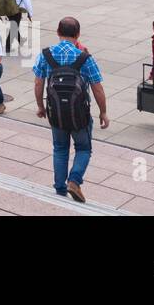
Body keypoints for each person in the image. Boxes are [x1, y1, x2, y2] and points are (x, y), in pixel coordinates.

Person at [33, 17, 109, 203]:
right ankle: (74, 180)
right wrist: (103, 112)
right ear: (78, 35)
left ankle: (60, 189)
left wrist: (41, 106)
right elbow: (97, 88)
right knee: (83, 148)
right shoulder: (84, 57)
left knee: (60, 148)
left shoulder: (46, 55)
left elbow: (38, 82)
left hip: (56, 111)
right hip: (79, 115)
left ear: (58, 32)